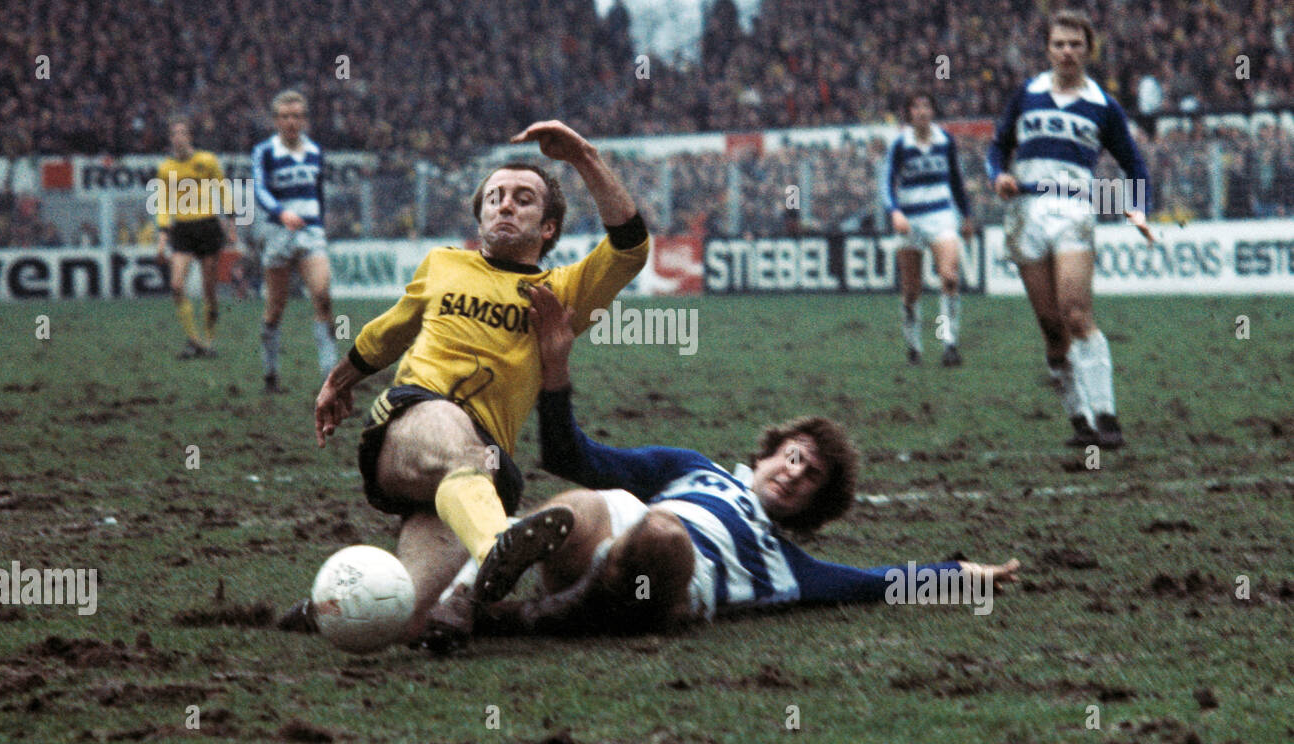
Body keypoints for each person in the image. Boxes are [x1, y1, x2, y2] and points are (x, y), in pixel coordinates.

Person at [454, 283, 1020, 638]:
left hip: (664, 581)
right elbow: (568, 455)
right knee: (583, 505)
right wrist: (555, 371)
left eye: (812, 477)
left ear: (814, 506)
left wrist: (971, 577)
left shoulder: (789, 566)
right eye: (795, 457)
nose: (796, 472)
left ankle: (531, 614)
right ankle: (477, 589)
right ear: (769, 451)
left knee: (664, 536)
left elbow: (886, 582)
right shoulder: (690, 469)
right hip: (602, 543)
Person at [283, 120, 650, 647]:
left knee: (406, 617)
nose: (505, 205)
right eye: (495, 197)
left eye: (523, 199)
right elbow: (391, 331)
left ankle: (323, 607)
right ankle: (499, 542)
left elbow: (630, 247)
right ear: (479, 214)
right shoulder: (443, 266)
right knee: (458, 439)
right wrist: (339, 380)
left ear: (548, 228)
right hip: (410, 423)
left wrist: (584, 157)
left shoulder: (563, 293)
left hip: (480, 472)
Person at [987, 10, 1155, 449]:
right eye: (1059, 43)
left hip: (1074, 210)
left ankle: (1108, 419)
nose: (1067, 51)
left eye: (1075, 44)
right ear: (1047, 49)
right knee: (1052, 329)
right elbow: (997, 146)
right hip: (1025, 212)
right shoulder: (1026, 94)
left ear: (1088, 49)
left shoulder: (1103, 105)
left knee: (1077, 313)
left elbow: (1133, 162)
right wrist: (996, 175)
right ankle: (1080, 422)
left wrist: (1138, 208)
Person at [882, 93, 974, 366]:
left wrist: (966, 215)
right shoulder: (900, 144)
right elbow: (886, 183)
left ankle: (949, 344)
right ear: (908, 113)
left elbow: (956, 180)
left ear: (933, 111)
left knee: (949, 278)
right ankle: (914, 347)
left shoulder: (945, 141)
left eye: (926, 106)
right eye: (916, 107)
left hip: (941, 216)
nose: (921, 111)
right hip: (910, 220)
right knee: (912, 290)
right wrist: (895, 211)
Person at [252, 90, 335, 392]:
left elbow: (319, 191)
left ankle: (330, 376)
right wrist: (280, 211)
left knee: (323, 297)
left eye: (296, 116)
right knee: (275, 308)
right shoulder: (265, 151)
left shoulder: (315, 151)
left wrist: (321, 222)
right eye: (285, 116)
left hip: (311, 234)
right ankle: (270, 374)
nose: (291, 121)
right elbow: (259, 190)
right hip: (278, 234)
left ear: (304, 119)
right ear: (275, 120)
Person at [155, 119, 236, 359]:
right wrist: (161, 239)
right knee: (177, 286)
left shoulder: (207, 161)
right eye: (174, 133)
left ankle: (209, 342)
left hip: (208, 226)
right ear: (170, 138)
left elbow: (223, 190)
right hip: (182, 230)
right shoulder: (165, 168)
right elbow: (163, 203)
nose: (179, 137)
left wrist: (232, 225)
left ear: (190, 137)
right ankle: (194, 340)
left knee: (209, 290)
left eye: (183, 133)